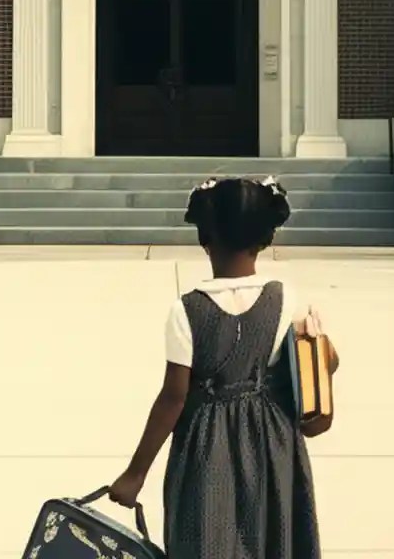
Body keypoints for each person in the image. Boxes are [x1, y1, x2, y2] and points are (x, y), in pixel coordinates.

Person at [107, 176, 338, 558]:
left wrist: (135, 473)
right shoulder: (285, 299)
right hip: (272, 445)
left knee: (204, 537)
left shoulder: (186, 310)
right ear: (265, 238)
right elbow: (323, 365)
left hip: (205, 449)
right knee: (270, 535)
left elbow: (173, 399)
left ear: (205, 238)